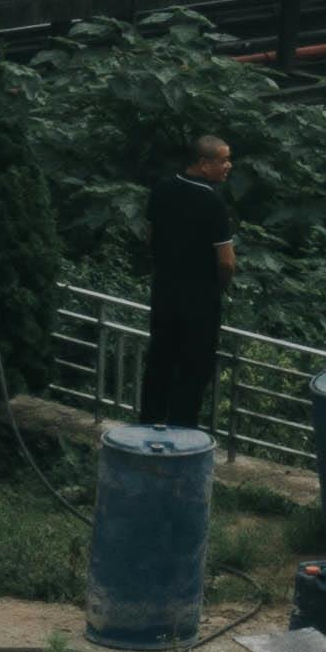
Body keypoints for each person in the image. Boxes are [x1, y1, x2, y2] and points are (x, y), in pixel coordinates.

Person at [136, 133, 236, 436]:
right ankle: (181, 436)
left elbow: (150, 235)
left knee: (160, 362)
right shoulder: (213, 202)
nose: (228, 166)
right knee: (193, 369)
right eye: (224, 160)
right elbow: (226, 261)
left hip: (165, 291)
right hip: (200, 298)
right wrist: (218, 286)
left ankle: (147, 429)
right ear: (204, 164)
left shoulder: (162, 189)